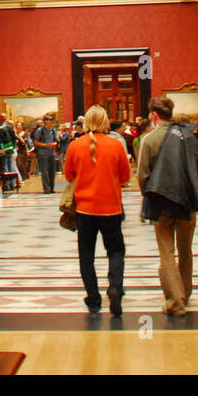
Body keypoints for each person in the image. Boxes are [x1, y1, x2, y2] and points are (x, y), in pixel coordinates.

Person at [137, 96, 198, 316]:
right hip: (187, 201)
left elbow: (143, 175)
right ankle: (185, 291)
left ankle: (175, 301)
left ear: (154, 115)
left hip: (162, 201)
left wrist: (147, 198)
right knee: (186, 250)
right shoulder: (186, 136)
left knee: (166, 251)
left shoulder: (150, 139)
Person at [64, 105, 131, 316]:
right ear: (105, 122)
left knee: (86, 255)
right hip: (111, 208)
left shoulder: (75, 146)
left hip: (85, 210)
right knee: (116, 251)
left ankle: (93, 299)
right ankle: (115, 288)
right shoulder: (116, 145)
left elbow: (68, 176)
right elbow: (126, 177)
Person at [32, 113, 59, 194]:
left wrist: (54, 144)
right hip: (42, 153)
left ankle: (51, 188)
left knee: (52, 171)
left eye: (51, 120)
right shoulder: (40, 130)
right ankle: (46, 189)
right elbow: (35, 142)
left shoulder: (53, 130)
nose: (50, 122)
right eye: (49, 120)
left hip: (51, 153)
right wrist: (45, 145)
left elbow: (56, 141)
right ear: (45, 121)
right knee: (45, 172)